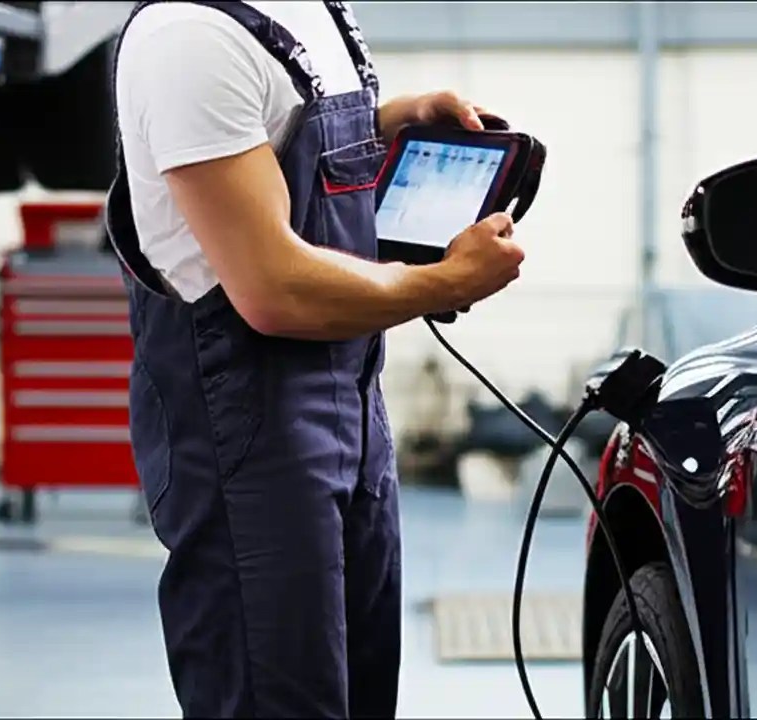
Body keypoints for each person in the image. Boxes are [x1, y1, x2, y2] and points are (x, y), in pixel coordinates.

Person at [103, 2, 526, 717]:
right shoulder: (189, 36)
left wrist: (394, 119)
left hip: (351, 402)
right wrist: (446, 283)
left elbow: (275, 136)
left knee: (356, 693)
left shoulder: (315, 8)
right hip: (246, 427)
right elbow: (274, 287)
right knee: (276, 697)